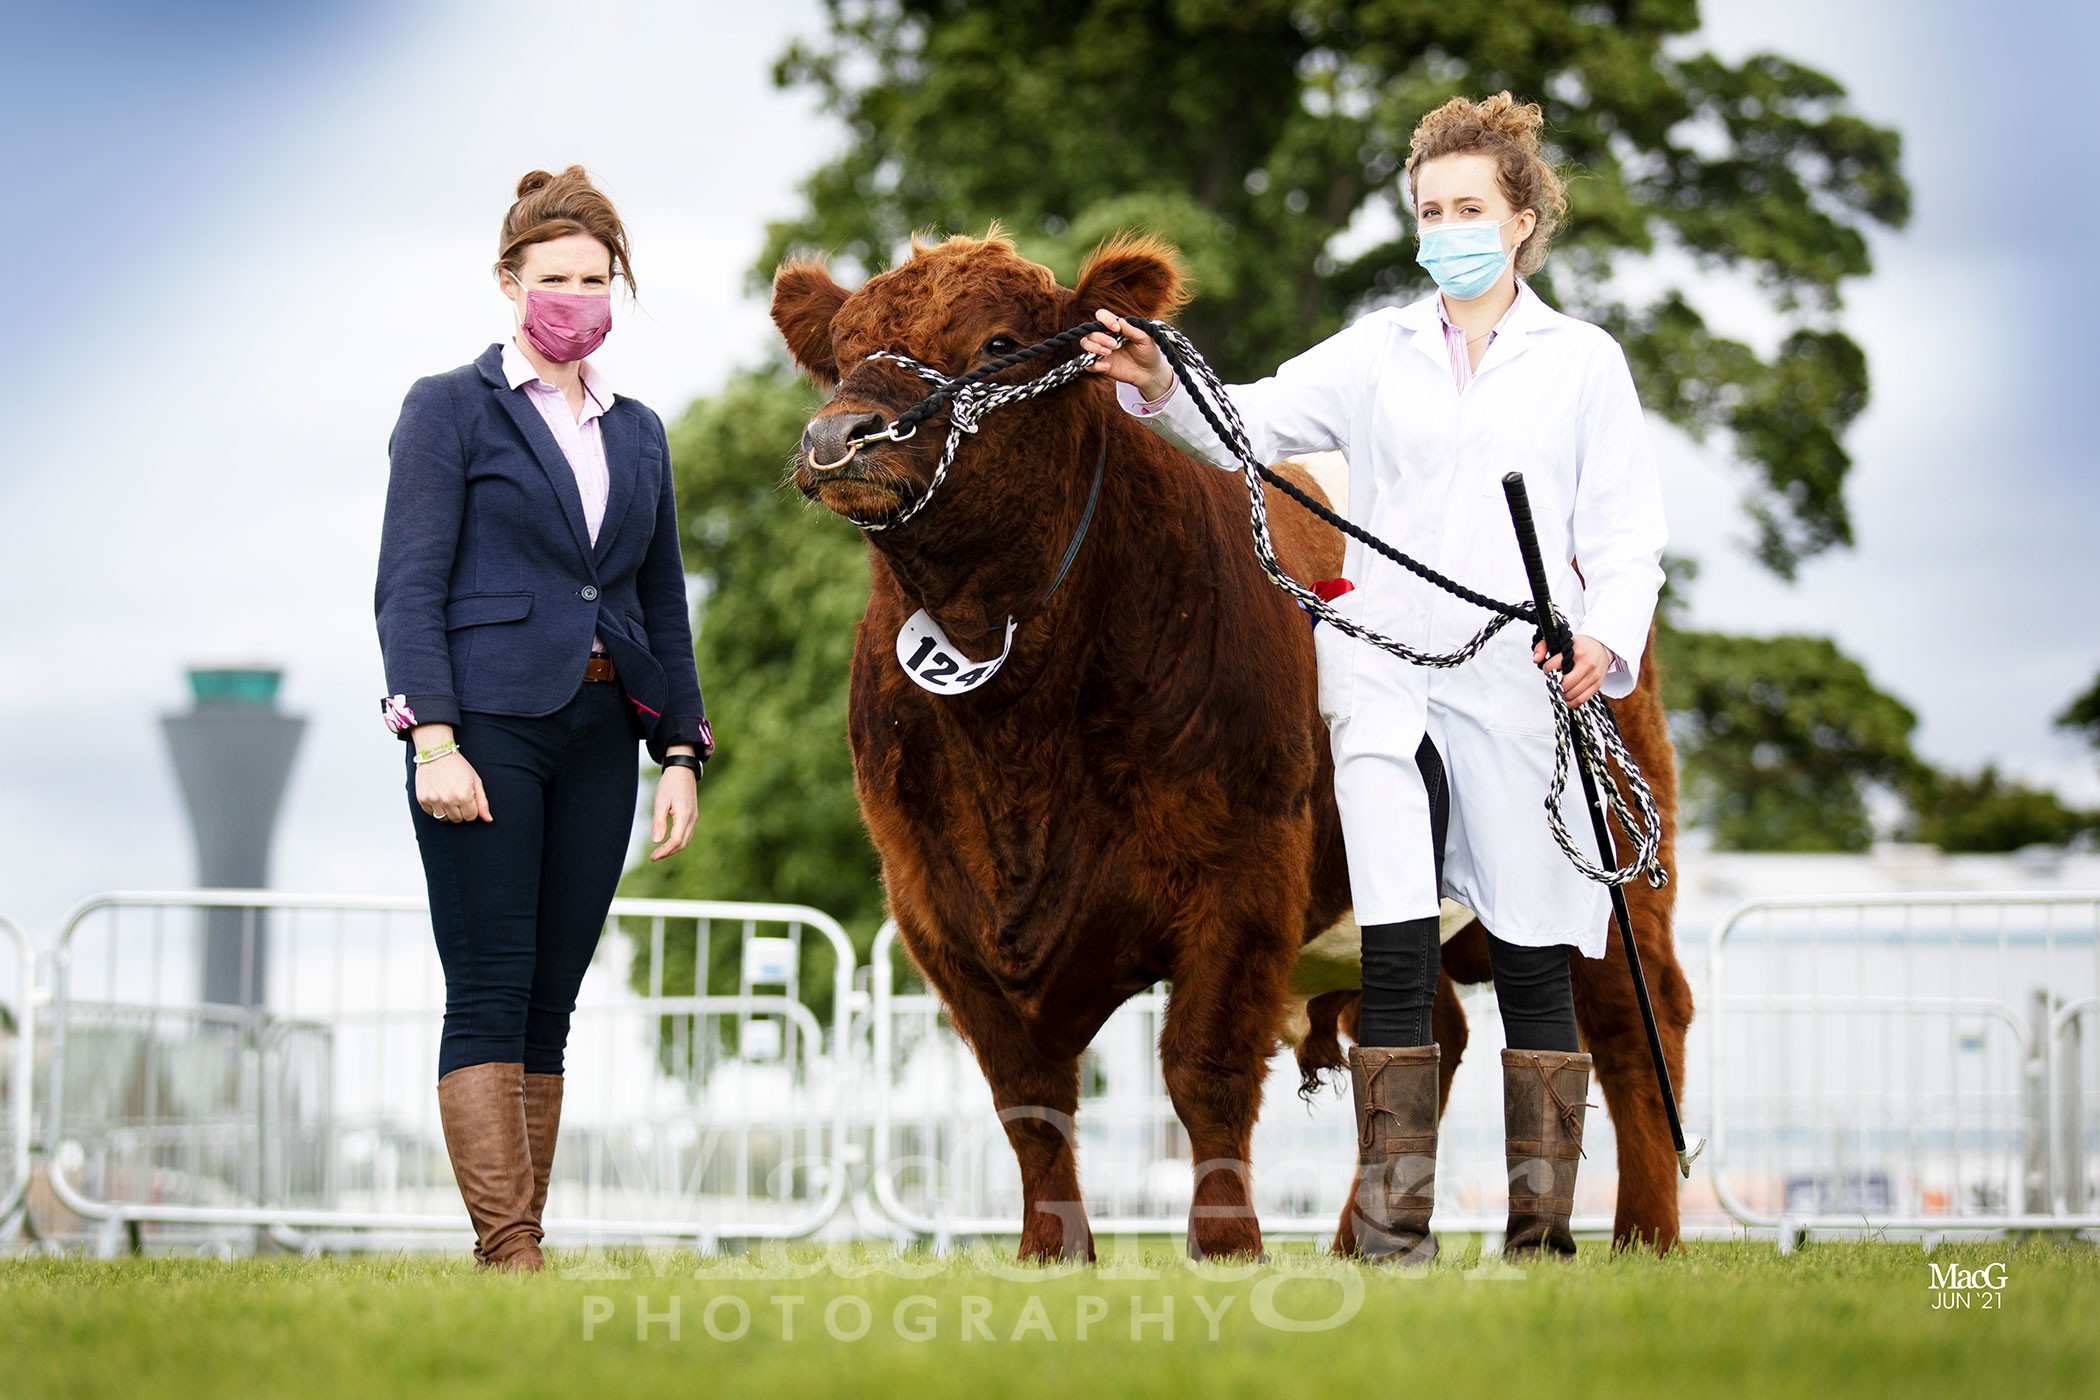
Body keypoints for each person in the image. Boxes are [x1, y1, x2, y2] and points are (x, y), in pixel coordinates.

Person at [1083, 93, 1667, 1264]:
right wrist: (1154, 376)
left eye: (1470, 207)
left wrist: (1604, 637)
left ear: (1522, 218)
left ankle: (1538, 1234)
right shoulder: (1374, 351)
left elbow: (1627, 530)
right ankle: (1397, 1233)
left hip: (1519, 680)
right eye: (1430, 208)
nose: (1447, 225)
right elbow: (1245, 424)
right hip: (1388, 668)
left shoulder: (1582, 363)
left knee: (1534, 946)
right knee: (1395, 940)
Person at [374, 166, 713, 1271]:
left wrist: (679, 749)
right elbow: (408, 587)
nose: (577, 293)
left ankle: (523, 1239)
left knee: (554, 995)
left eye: (596, 276)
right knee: (491, 982)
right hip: (485, 729)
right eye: (555, 275)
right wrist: (432, 738)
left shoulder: (641, 429)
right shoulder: (448, 407)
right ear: (509, 282)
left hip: (604, 728)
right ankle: (508, 1249)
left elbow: (661, 596)